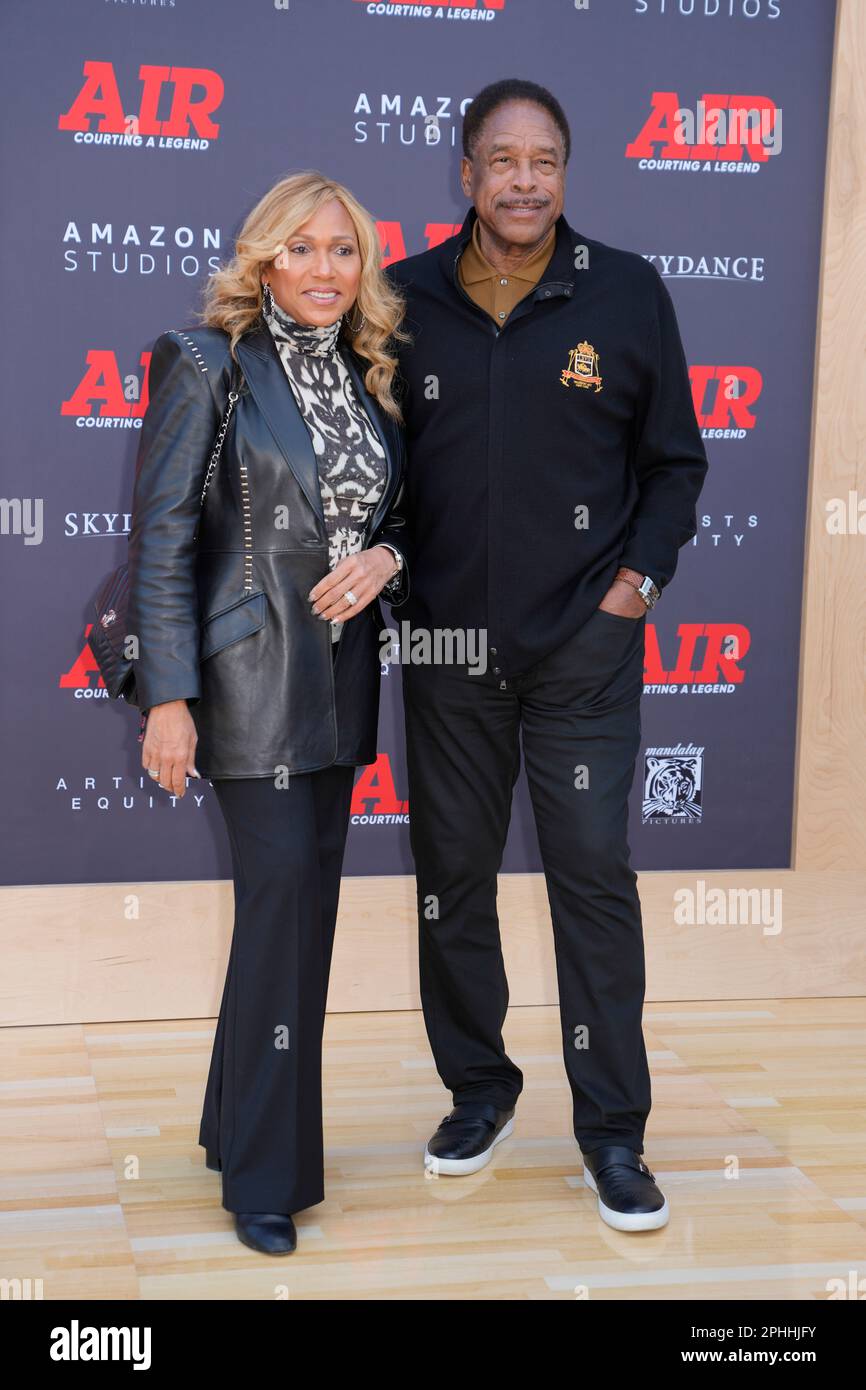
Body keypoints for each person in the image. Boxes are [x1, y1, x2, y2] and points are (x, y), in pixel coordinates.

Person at [385, 79, 709, 1232]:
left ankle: (613, 1133)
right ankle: (478, 1091)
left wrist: (633, 588)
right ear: (465, 174)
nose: (524, 180)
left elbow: (674, 463)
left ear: (564, 173)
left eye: (545, 160)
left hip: (583, 643)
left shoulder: (624, 291)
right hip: (446, 649)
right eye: (501, 160)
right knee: (452, 881)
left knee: (589, 880)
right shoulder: (403, 296)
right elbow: (373, 472)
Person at [126, 171, 410, 1255]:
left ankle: (229, 1129)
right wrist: (170, 699)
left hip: (339, 683)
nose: (325, 269)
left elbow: (405, 514)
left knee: (295, 919)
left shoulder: (370, 373)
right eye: (300, 248)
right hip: (248, 681)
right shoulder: (206, 365)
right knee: (283, 912)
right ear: (261, 260)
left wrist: (387, 553)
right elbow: (162, 539)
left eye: (343, 249)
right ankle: (265, 1179)